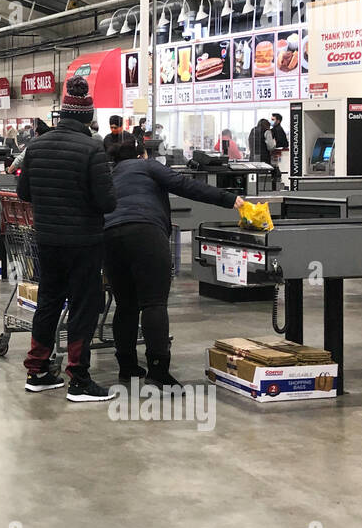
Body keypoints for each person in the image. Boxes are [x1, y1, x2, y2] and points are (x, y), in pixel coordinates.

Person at [104, 135, 244, 388]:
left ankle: (127, 367)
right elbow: (185, 186)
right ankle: (158, 372)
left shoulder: (110, 174)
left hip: (110, 236)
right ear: (142, 154)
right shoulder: (148, 166)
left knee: (125, 305)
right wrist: (229, 199)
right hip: (146, 232)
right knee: (154, 303)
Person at [16, 77, 116, 402]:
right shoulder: (92, 149)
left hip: (46, 240)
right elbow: (107, 202)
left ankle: (38, 371)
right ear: (88, 118)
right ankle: (79, 379)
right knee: (83, 308)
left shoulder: (37, 146)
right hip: (84, 243)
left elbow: (24, 192)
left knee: (48, 302)